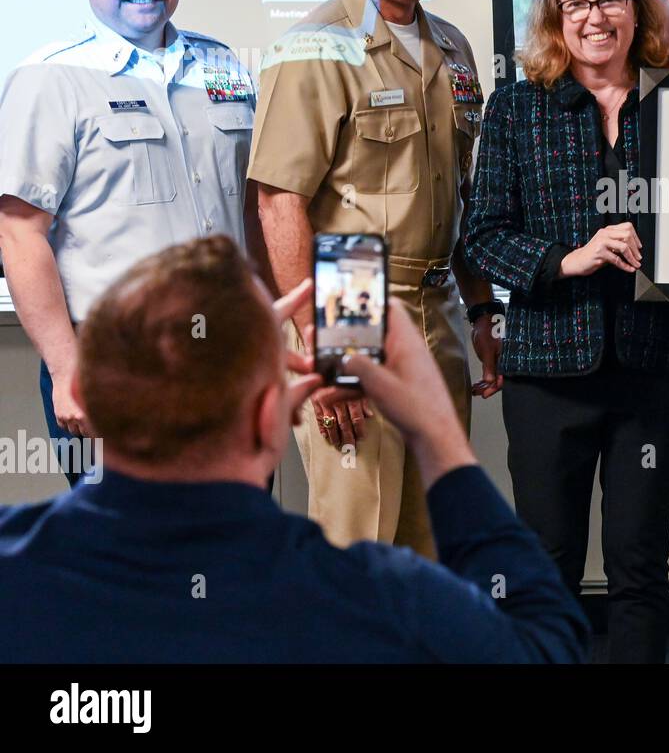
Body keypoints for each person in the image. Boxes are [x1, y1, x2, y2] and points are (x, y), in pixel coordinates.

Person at [0, 235, 589, 663]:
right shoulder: (372, 597)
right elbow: (545, 644)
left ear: (86, 394)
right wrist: (438, 436)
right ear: (271, 418)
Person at [464, 0, 669, 663]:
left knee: (641, 568)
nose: (594, 16)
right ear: (555, 16)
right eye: (575, 2)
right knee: (546, 570)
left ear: (634, 8)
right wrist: (566, 259)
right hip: (549, 375)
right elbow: (482, 235)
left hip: (653, 371)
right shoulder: (518, 109)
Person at [249, 0, 503, 558]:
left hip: (439, 310)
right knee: (361, 540)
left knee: (431, 545)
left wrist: (482, 311)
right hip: (350, 301)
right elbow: (279, 200)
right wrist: (326, 352)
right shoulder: (315, 44)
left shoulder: (453, 47)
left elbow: (459, 195)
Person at [0, 0, 263, 488]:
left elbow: (252, 210)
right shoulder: (49, 79)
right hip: (114, 365)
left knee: (233, 553)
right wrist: (65, 368)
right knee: (131, 564)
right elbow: (19, 235)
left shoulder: (222, 65)